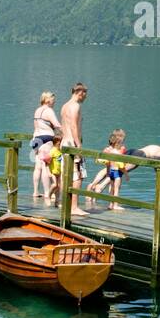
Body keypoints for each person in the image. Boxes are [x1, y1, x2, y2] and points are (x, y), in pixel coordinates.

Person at [59, 82, 88, 217]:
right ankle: (74, 207)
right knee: (78, 176)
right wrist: (79, 146)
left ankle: (65, 204)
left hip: (64, 142)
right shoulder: (75, 106)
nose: (85, 97)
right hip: (72, 143)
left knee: (67, 175)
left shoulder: (64, 106)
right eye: (85, 94)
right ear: (80, 93)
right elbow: (74, 127)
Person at [30, 92, 62, 198]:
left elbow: (35, 126)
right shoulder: (48, 110)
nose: (54, 102)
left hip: (36, 139)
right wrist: (66, 132)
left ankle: (35, 191)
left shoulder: (37, 110)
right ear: (48, 100)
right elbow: (57, 124)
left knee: (37, 167)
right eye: (53, 99)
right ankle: (47, 192)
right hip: (46, 138)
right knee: (45, 166)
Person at [87, 129, 128, 209]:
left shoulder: (108, 149)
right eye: (123, 138)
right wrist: (126, 174)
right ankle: (115, 205)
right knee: (116, 189)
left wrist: (108, 172)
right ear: (119, 138)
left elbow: (107, 162)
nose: (124, 140)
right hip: (117, 171)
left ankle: (110, 204)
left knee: (112, 188)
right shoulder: (121, 149)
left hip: (111, 171)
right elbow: (121, 165)